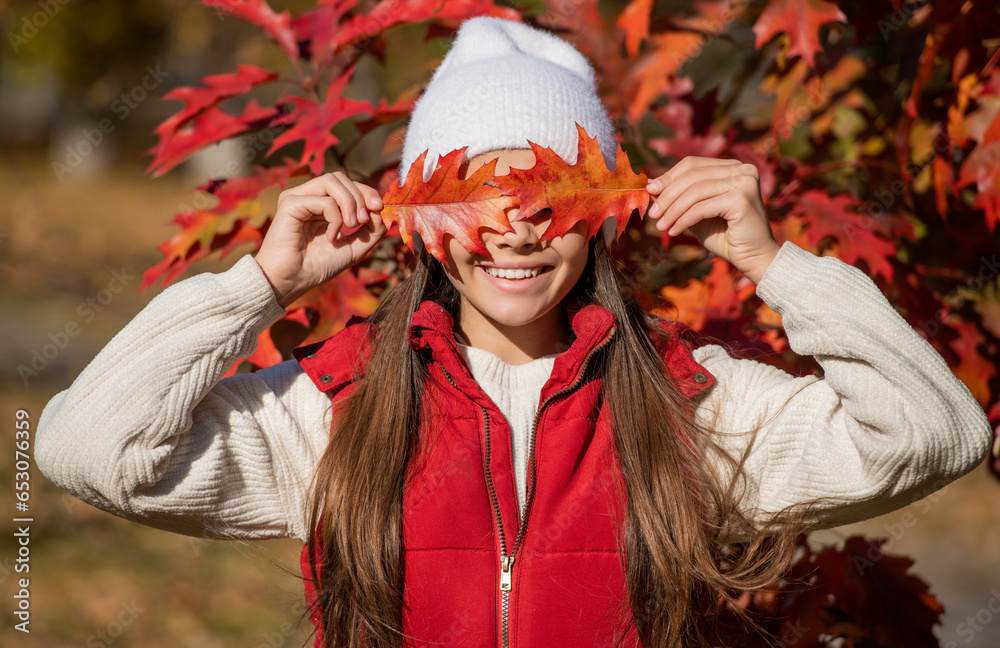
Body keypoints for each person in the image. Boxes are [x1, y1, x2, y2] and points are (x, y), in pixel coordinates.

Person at [37, 15, 990, 648]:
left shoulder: (693, 409)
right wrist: (260, 284)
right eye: (473, 192)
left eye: (550, 188)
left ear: (606, 208)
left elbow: (936, 434)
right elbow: (91, 452)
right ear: (416, 219)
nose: (516, 224)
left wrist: (777, 267)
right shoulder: (334, 414)